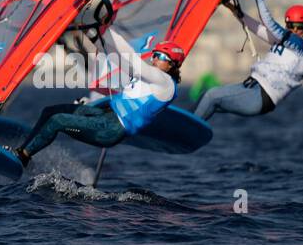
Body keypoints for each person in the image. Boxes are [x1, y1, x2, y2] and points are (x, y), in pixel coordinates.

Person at [12, 33, 185, 167]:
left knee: (57, 121)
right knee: (50, 111)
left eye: (161, 57)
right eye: (155, 54)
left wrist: (109, 30)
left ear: (172, 65)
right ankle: (21, 151)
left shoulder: (165, 83)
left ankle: (23, 156)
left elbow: (131, 58)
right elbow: (118, 64)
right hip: (103, 114)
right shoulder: (150, 79)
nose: (155, 59)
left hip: (112, 128)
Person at [194, 0, 303, 121]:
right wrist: (233, 9)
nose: (294, 30)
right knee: (206, 97)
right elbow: (257, 28)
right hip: (249, 86)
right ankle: (179, 129)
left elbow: (271, 25)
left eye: (299, 27)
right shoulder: (284, 41)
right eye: (290, 26)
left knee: (212, 95)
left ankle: (187, 131)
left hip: (262, 97)